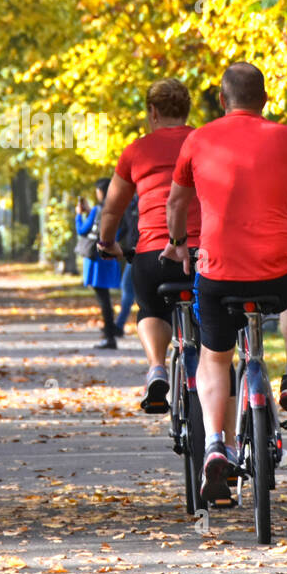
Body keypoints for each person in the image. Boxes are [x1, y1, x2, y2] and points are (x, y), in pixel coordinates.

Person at [163, 62, 287, 502]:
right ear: (265, 100)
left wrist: (179, 244)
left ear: (221, 100)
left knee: (216, 359)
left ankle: (216, 444)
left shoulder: (198, 139)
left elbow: (176, 201)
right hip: (277, 268)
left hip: (217, 272)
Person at [97, 80, 201, 410]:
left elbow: (112, 208)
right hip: (206, 253)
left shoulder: (136, 150)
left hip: (154, 254)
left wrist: (107, 243)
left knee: (151, 306)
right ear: (187, 110)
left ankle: (157, 366)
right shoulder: (206, 142)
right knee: (214, 315)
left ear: (152, 112)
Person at [76, 180, 121, 350]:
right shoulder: (114, 208)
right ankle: (110, 332)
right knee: (105, 297)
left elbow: (82, 230)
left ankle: (109, 336)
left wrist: (79, 215)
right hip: (109, 256)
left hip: (95, 259)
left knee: (103, 299)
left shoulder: (97, 209)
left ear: (101, 192)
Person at [113, 194, 140, 337]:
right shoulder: (129, 203)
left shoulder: (146, 199)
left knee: (128, 287)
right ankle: (119, 325)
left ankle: (119, 325)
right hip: (131, 252)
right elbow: (125, 226)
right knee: (128, 288)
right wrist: (111, 240)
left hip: (142, 250)